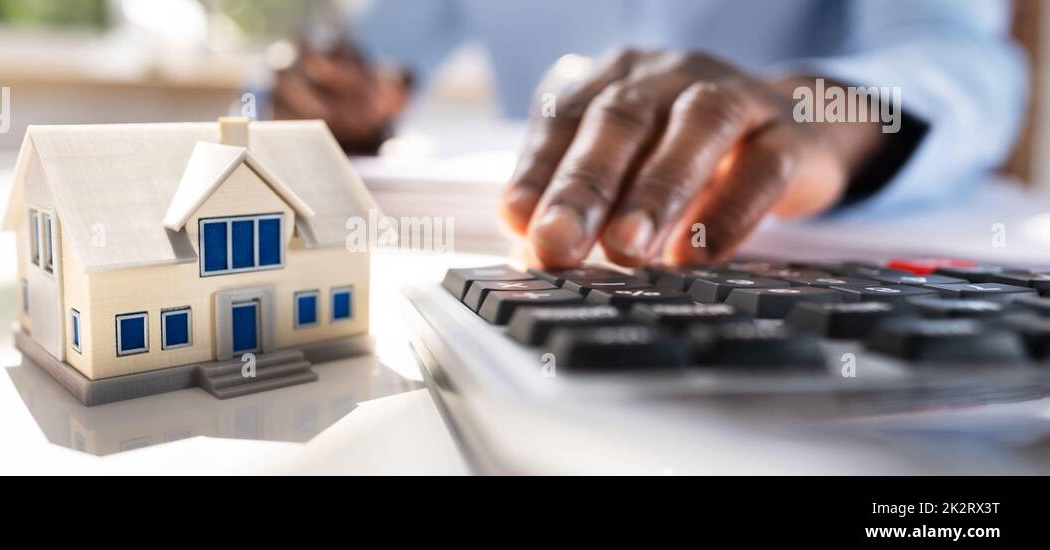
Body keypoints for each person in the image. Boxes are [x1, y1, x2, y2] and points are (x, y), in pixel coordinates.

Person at [270, 0, 1027, 268]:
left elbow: (969, 65)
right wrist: (325, 98)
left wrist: (821, 115)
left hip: (796, 249)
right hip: (525, 258)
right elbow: (350, 66)